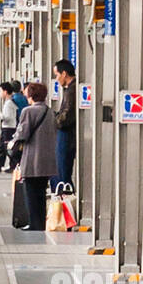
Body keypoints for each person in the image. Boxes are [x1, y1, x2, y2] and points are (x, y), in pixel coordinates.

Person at [9, 82, 58, 230]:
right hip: (47, 159)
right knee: (41, 193)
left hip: (32, 158)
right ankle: (40, 223)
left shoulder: (28, 111)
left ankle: (33, 223)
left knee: (30, 191)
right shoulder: (50, 112)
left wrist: (12, 142)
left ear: (31, 95)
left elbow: (23, 133)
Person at [52, 59, 77, 194]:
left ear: (64, 74)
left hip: (67, 134)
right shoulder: (69, 90)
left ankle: (64, 199)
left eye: (57, 75)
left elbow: (66, 118)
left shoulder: (72, 91)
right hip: (65, 134)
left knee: (62, 170)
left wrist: (54, 120)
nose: (56, 79)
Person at [0, 82, 19, 171]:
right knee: (2, 147)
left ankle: (13, 166)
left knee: (7, 147)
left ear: (5, 91)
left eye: (0, 91)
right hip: (9, 127)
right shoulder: (10, 102)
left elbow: (7, 117)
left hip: (8, 128)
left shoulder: (8, 103)